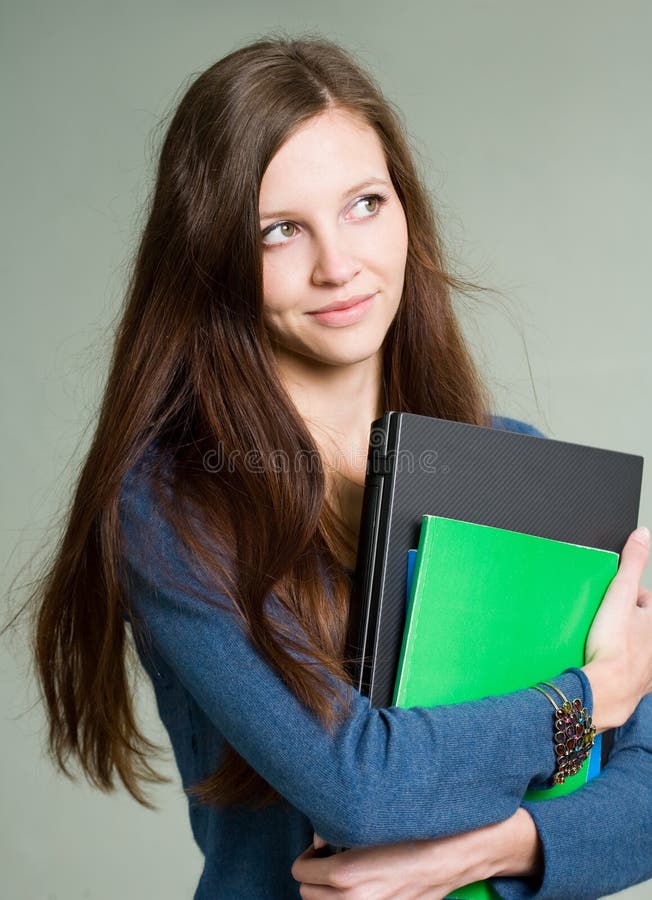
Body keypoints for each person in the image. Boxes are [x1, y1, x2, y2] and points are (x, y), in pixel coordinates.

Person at [24, 35, 652, 900]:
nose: (338, 264)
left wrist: (488, 851)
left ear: (405, 208)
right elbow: (360, 784)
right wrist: (585, 702)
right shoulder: (173, 507)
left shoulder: (518, 467)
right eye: (281, 230)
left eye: (364, 204)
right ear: (212, 257)